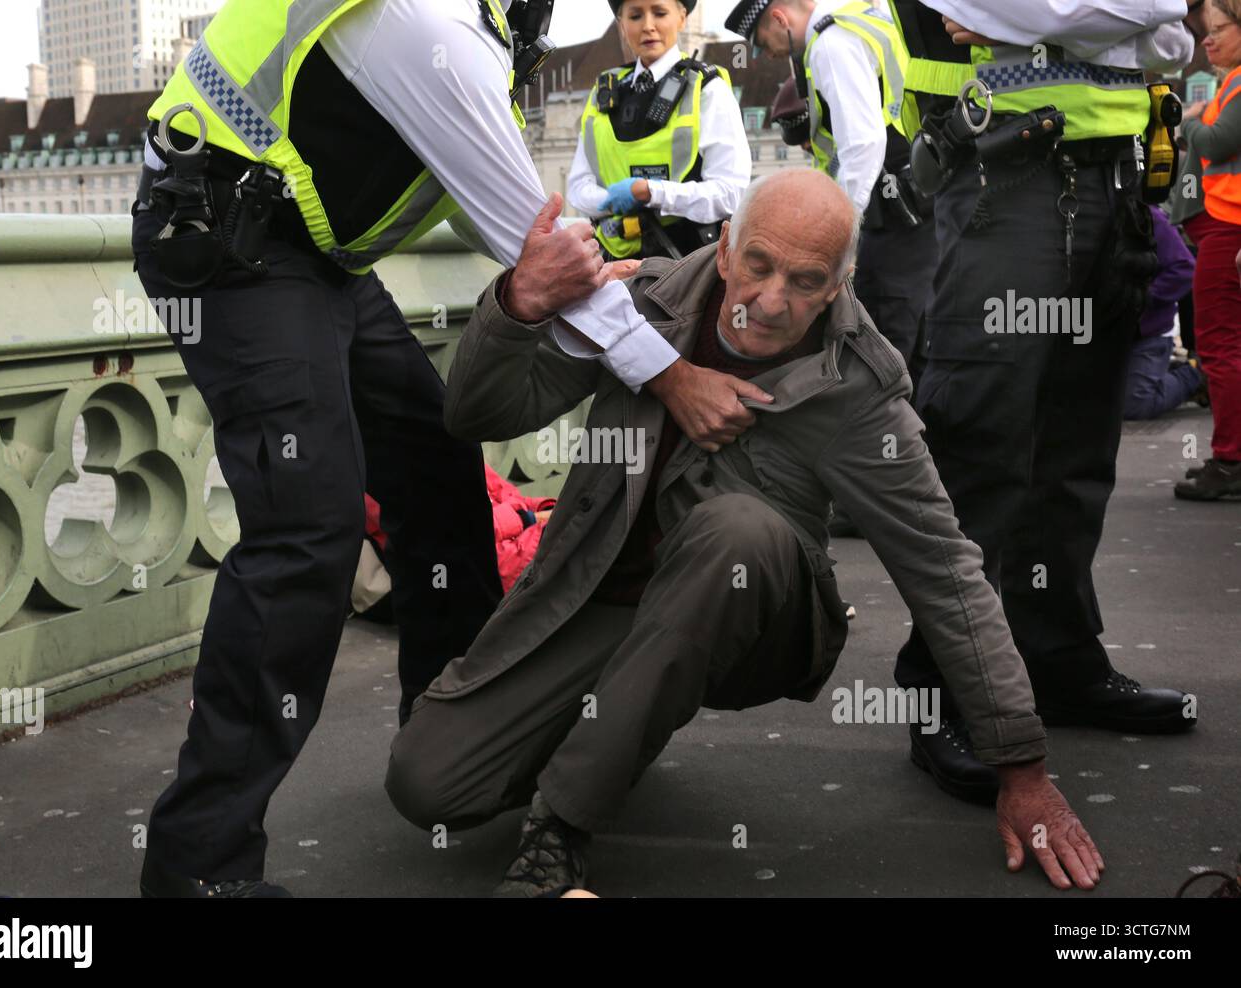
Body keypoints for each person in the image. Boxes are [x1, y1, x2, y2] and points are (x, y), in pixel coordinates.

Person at [131, 0, 769, 898]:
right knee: (306, 533)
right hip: (223, 245)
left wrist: (571, 274)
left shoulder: (486, 29)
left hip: (314, 258)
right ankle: (200, 867)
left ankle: (452, 741)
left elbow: (511, 223)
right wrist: (673, 376)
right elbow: (526, 235)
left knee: (437, 476)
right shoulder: (431, 27)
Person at [386, 170, 1106, 898]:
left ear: (838, 285)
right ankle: (614, 731)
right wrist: (519, 303)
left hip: (755, 622)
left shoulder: (857, 391)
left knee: (736, 530)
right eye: (758, 265)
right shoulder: (643, 305)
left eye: (805, 280)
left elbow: (945, 569)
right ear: (725, 249)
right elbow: (477, 416)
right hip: (601, 599)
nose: (769, 301)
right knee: (429, 785)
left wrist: (1023, 767)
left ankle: (558, 835)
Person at [863, 1, 1199, 805]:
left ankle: (1058, 662)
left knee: (1076, 453)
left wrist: (1067, 23)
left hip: (1112, 174)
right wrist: (1116, 21)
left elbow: (1171, 27)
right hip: (999, 177)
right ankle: (940, 691)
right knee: (980, 449)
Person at [727, 0, 937, 367]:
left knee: (879, 345)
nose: (769, 53)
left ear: (779, 18)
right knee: (920, 338)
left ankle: (884, 424)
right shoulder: (869, 15)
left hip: (890, 214)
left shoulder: (831, 43)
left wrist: (837, 237)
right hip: (924, 198)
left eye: (763, 42)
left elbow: (863, 146)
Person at [567, 0, 751, 261]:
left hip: (690, 264)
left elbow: (730, 193)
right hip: (616, 263)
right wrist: (610, 199)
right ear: (621, 24)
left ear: (682, 18)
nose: (648, 26)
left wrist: (650, 193)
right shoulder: (604, 94)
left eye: (660, 13)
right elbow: (577, 187)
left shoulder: (707, 89)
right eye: (635, 16)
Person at [1171, 0, 1241, 499]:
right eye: (1207, 30)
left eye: (1219, 30)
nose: (1207, 39)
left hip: (1227, 230)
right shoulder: (1231, 81)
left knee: (1220, 348)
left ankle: (1231, 461)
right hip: (1220, 228)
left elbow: (1217, 143)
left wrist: (1190, 121)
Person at [1123, 206, 1206, 420]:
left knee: (1135, 404)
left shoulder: (1147, 216)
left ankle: (1197, 372)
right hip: (1102, 335)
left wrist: (1143, 299)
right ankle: (1166, 370)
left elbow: (1184, 269)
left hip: (1147, 334)